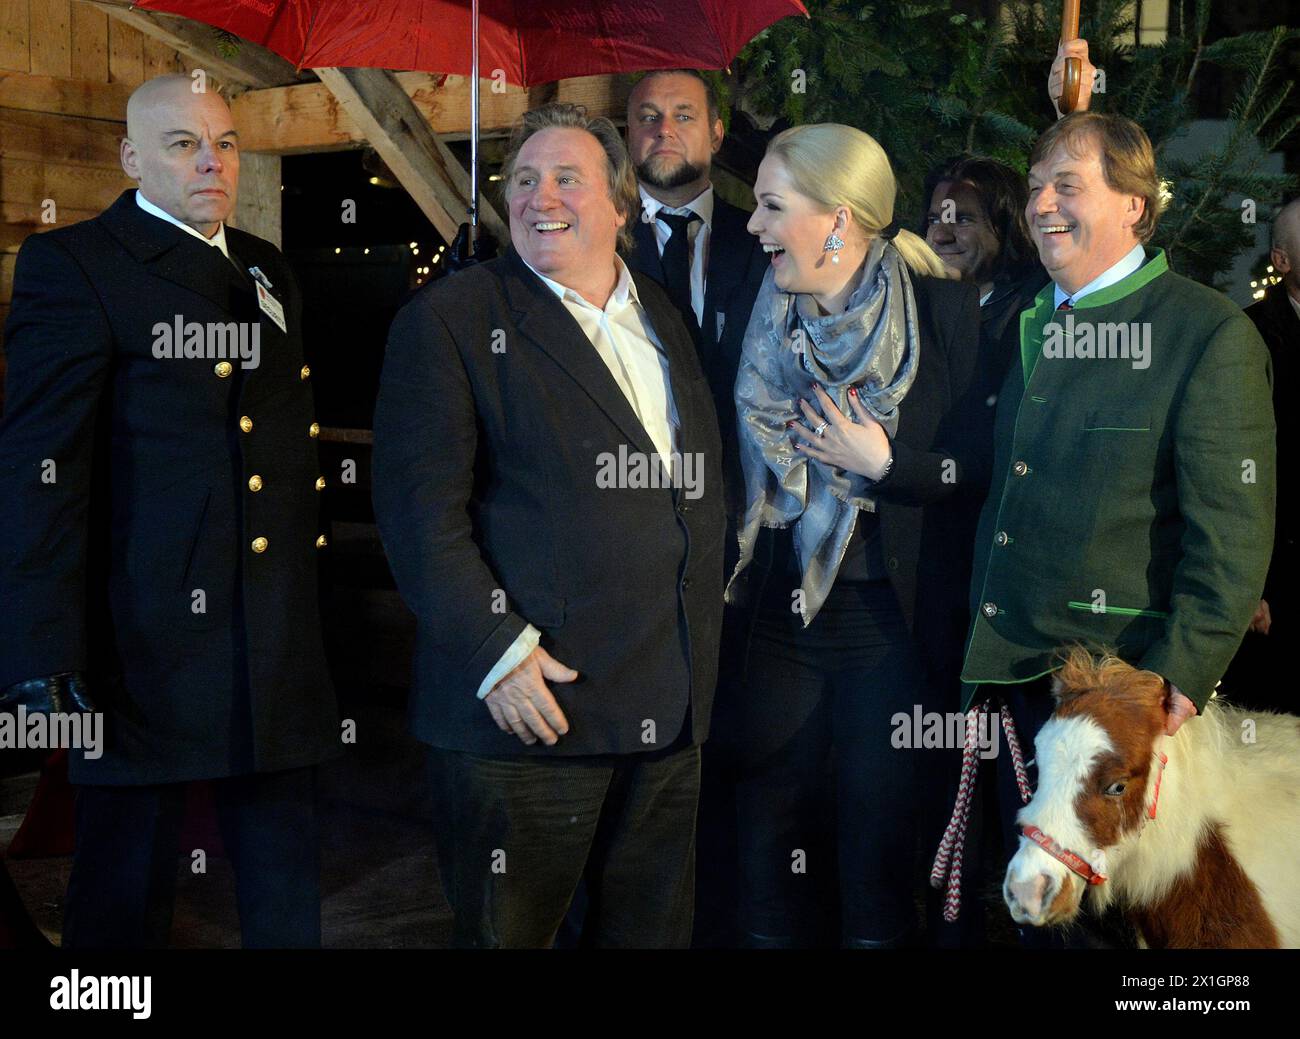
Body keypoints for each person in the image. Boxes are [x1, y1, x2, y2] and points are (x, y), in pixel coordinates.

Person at [371, 102, 725, 949]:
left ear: (620, 202)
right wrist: (497, 653)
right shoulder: (451, 319)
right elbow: (421, 519)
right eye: (523, 179)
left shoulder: (666, 318)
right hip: (530, 714)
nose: (540, 196)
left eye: (567, 177)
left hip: (668, 709)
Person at [0, 75, 338, 948]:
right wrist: (41, 652)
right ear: (132, 157)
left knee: (284, 889)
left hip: (271, 633)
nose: (210, 162)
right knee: (122, 892)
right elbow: (42, 471)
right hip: (143, 642)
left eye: (224, 143)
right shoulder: (75, 266)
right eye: (183, 143)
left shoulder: (267, 266)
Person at [955, 112, 1275, 944]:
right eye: (1034, 188)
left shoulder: (1207, 333)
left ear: (1135, 204)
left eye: (1068, 186)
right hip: (1008, 688)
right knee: (1023, 924)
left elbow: (1232, 536)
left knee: (1097, 942)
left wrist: (1173, 677)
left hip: (1117, 716)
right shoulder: (1020, 314)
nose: (1042, 205)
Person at [725, 123, 990, 947]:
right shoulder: (752, 300)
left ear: (838, 220)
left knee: (879, 848)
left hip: (893, 632)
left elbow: (977, 470)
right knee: (767, 841)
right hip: (781, 615)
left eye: (772, 206)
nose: (753, 226)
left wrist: (887, 463)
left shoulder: (946, 311)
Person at [623, 66, 768, 947]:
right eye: (645, 118)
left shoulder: (767, 238)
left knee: (730, 765)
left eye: (683, 116)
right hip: (634, 546)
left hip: (750, 552)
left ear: (717, 134)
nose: (663, 131)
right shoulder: (591, 242)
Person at [1225, 198, 1298, 712]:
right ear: (1282, 260)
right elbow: (1232, 467)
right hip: (1277, 585)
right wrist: (1247, 584)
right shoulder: (1246, 335)